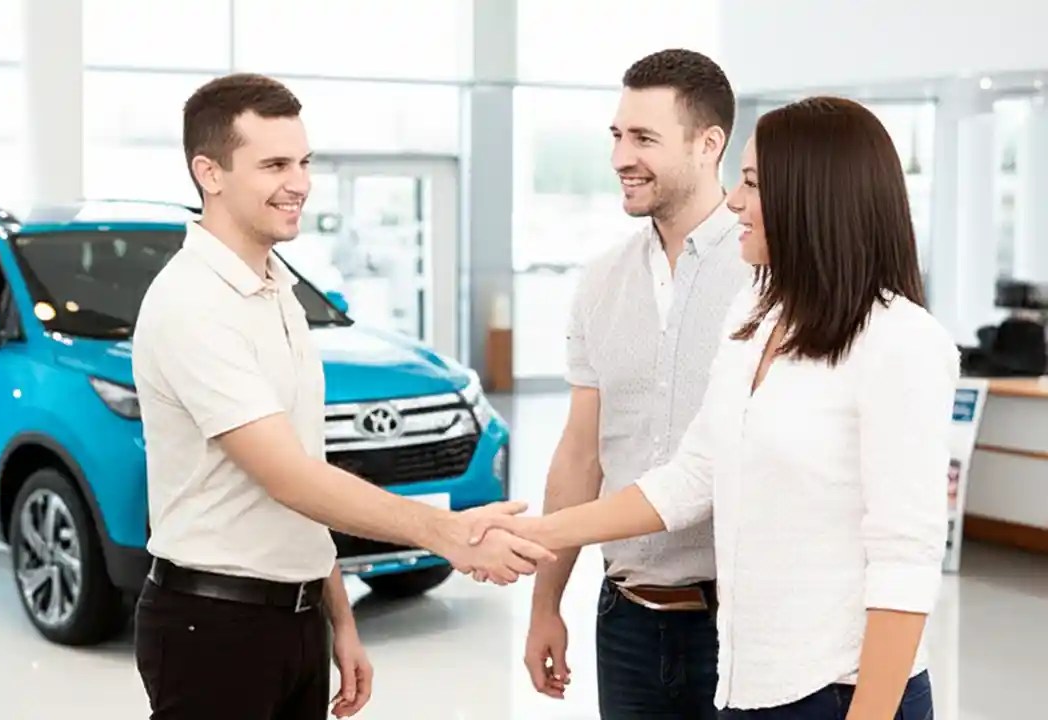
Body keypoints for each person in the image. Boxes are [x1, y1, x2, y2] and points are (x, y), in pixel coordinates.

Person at [474, 96, 958, 719]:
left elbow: (905, 560)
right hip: (746, 684)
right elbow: (689, 478)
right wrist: (536, 533)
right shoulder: (756, 320)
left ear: (812, 199)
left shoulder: (901, 342)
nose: (733, 202)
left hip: (840, 692)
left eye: (753, 184)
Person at [130, 73, 553, 720]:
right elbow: (290, 480)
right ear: (209, 173)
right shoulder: (192, 304)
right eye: (274, 164)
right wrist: (449, 533)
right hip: (212, 628)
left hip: (293, 619)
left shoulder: (276, 289)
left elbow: (307, 469)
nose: (299, 182)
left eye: (304, 161)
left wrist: (337, 619)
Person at [520, 49, 750, 719]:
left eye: (644, 138)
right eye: (617, 136)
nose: (621, 156)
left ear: (709, 145)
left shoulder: (766, 275)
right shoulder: (601, 281)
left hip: (739, 619)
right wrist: (544, 604)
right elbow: (579, 455)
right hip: (623, 620)